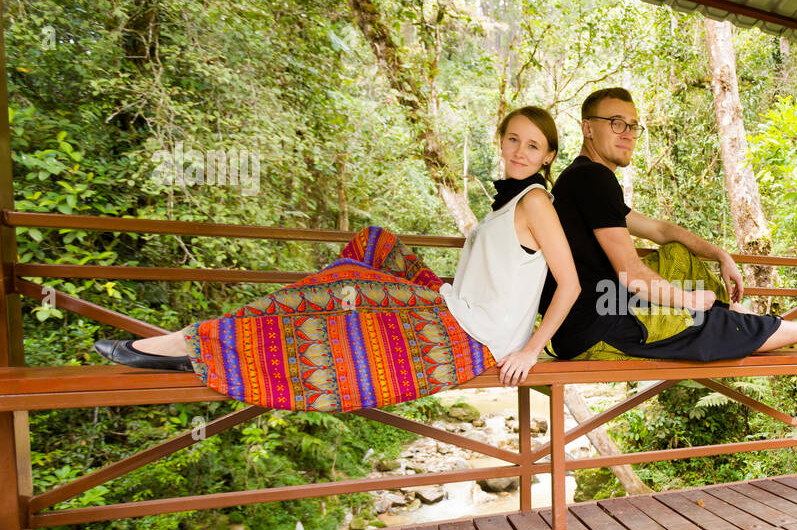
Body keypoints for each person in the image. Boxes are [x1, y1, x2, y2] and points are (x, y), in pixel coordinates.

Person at [94, 106, 580, 412]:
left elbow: (571, 284)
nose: (519, 150)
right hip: (453, 307)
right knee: (373, 243)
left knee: (345, 288)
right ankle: (270, 320)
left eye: (532, 145)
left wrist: (531, 349)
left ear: (547, 156)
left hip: (479, 335)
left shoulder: (536, 202)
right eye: (513, 139)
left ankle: (190, 344)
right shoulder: (507, 204)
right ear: (501, 141)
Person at [536, 87, 797, 363]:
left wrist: (721, 254)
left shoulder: (581, 179)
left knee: (679, 255)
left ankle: (731, 312)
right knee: (718, 324)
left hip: (589, 320)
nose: (628, 134)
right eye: (616, 123)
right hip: (596, 329)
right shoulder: (594, 179)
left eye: (633, 126)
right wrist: (688, 300)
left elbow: (662, 231)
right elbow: (632, 275)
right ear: (587, 128)